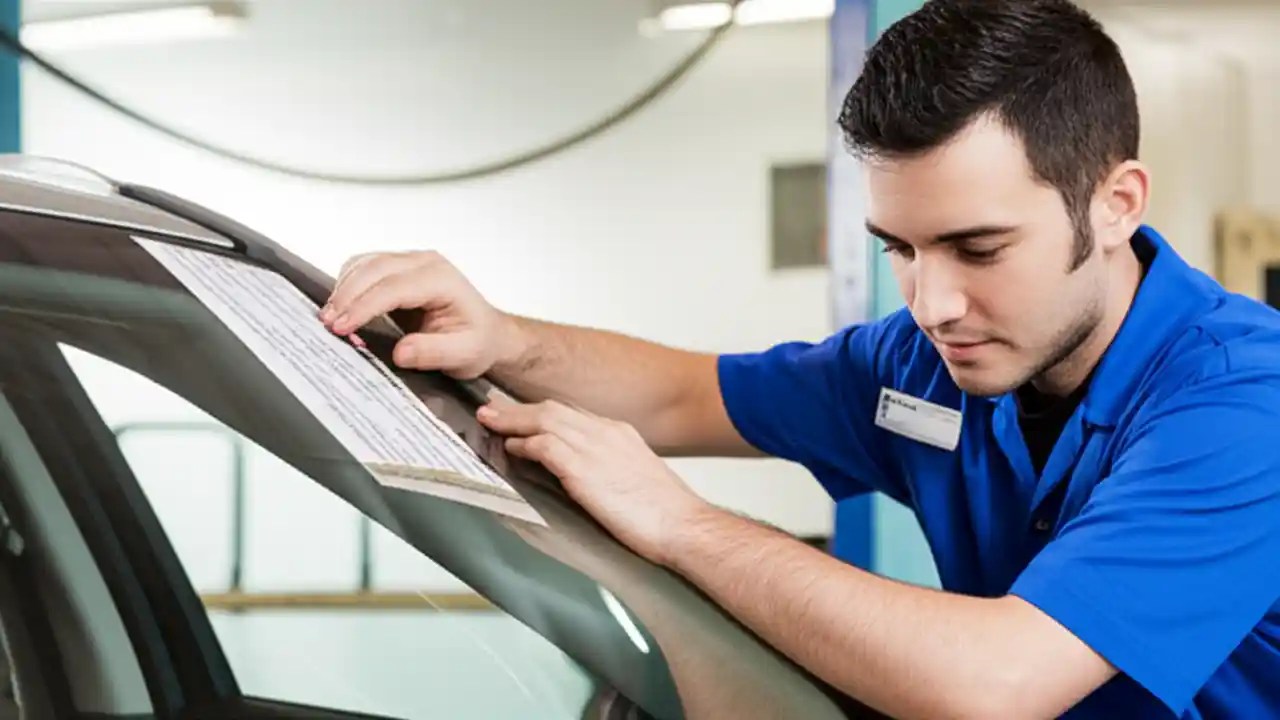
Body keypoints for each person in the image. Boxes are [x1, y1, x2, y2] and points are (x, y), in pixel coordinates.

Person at [319, 0, 1280, 716]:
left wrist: (681, 524)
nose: (933, 304)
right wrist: (506, 339)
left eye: (979, 249)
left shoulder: (1244, 402)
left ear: (1116, 204)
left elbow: (995, 680)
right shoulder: (916, 364)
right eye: (900, 249)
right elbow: (689, 394)